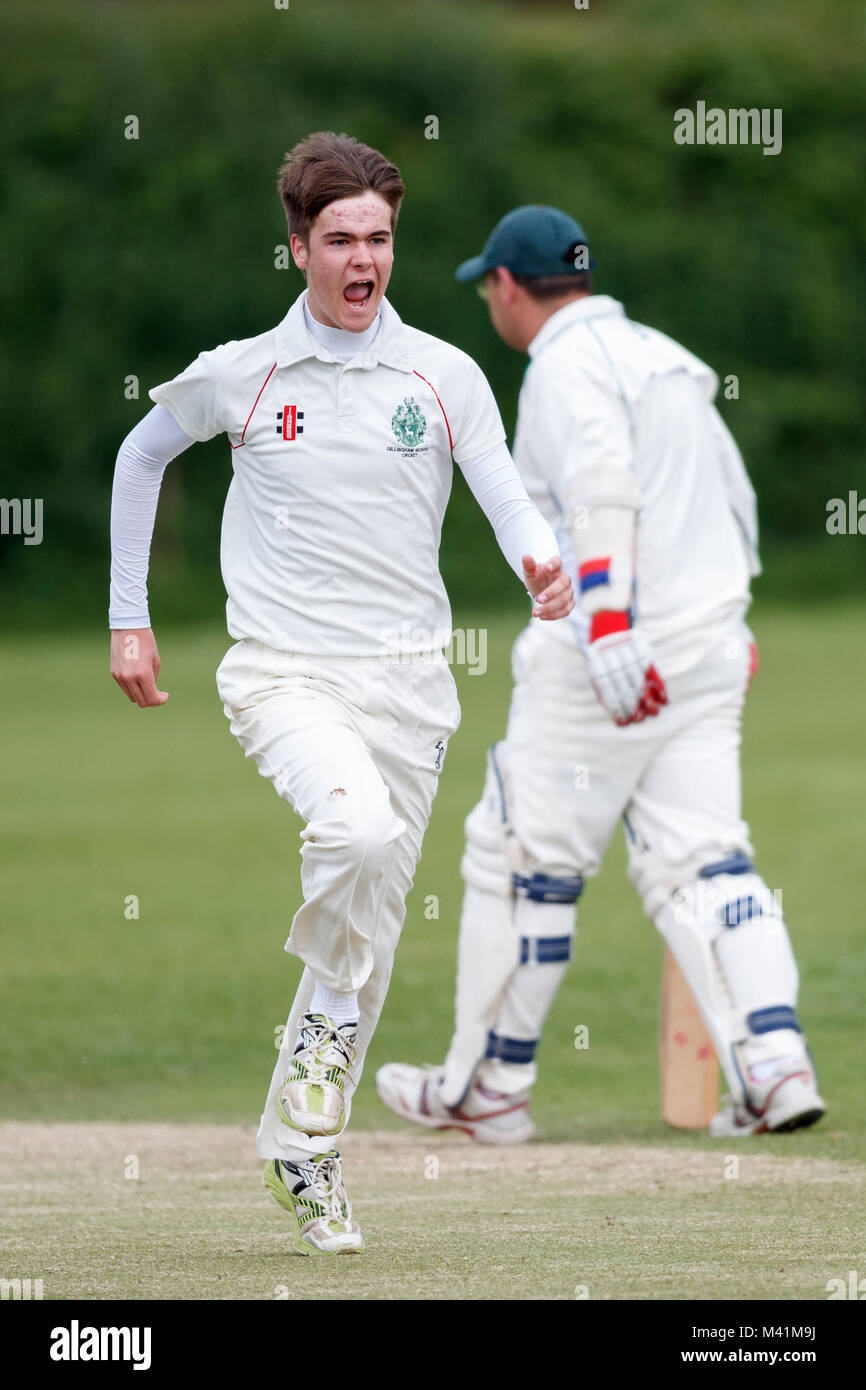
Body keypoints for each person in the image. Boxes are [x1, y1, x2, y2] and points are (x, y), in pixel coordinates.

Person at [108, 140, 573, 1255]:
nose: (362, 261)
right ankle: (312, 1101)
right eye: (340, 241)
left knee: (364, 927)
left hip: (408, 689)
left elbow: (501, 492)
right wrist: (130, 615)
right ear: (298, 249)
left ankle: (300, 1152)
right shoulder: (245, 374)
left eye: (378, 239)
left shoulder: (441, 376)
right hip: (281, 671)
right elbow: (139, 455)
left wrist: (540, 560)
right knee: (353, 833)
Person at [376, 204, 825, 1145]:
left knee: (520, 856)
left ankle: (489, 1083)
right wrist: (727, 625)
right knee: (703, 858)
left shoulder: (564, 368)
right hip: (704, 652)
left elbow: (600, 485)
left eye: (487, 287)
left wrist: (611, 625)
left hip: (605, 656)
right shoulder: (663, 356)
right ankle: (774, 1068)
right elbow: (730, 496)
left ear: (505, 285)